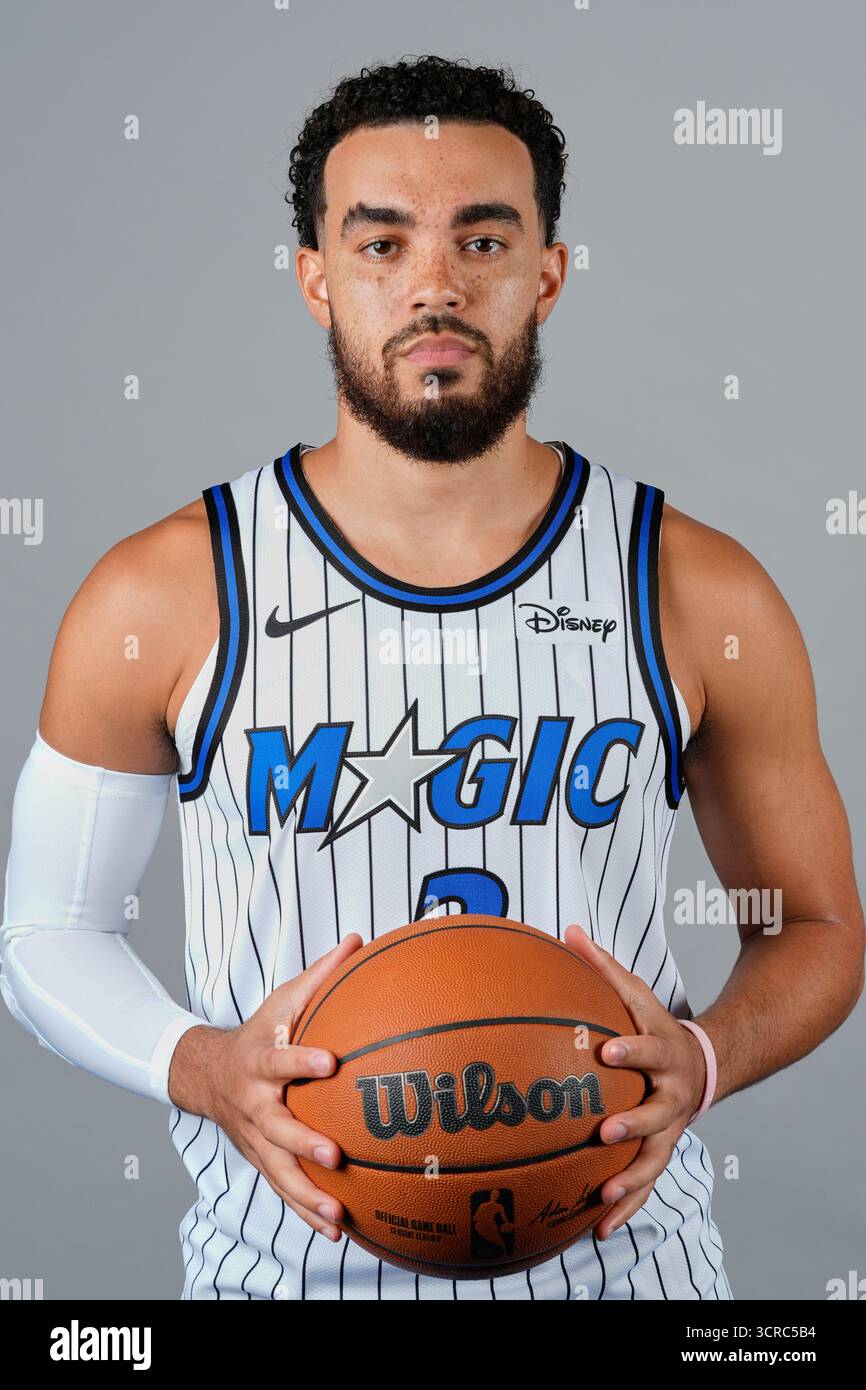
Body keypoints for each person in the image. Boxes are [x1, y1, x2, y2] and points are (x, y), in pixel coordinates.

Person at [2, 54, 863, 1301]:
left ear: (547, 274)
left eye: (481, 238)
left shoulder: (695, 587)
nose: (434, 285)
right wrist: (199, 1066)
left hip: (631, 1280)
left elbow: (819, 927)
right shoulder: (162, 593)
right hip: (275, 1280)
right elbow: (45, 931)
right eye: (381, 242)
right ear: (314, 279)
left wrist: (706, 1054)